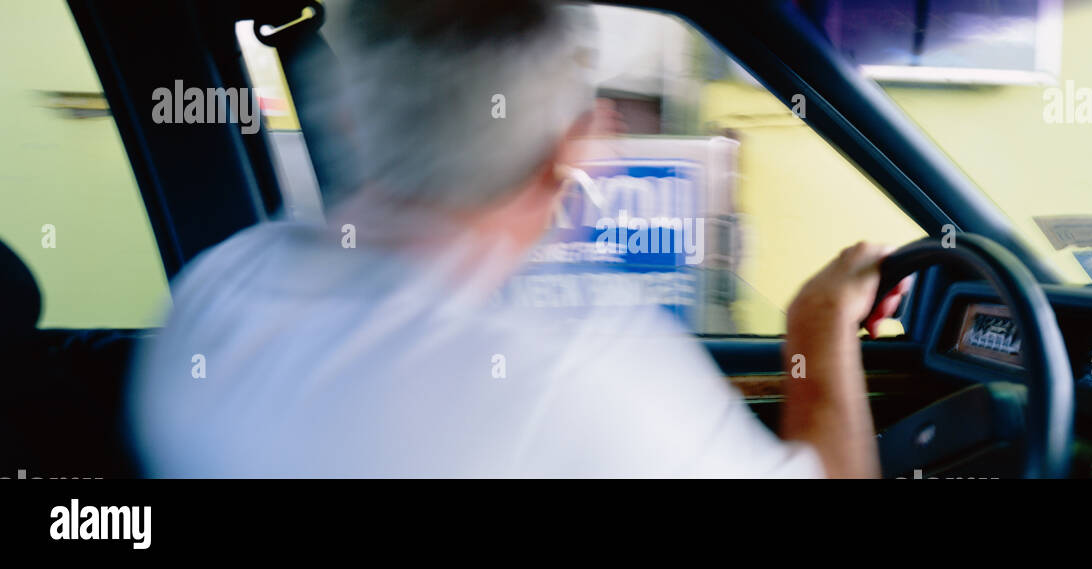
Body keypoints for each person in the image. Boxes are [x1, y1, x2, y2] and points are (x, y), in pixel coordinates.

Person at [128, 0, 906, 478]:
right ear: (573, 154)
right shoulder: (575, 369)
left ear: (347, 120)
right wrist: (818, 323)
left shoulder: (216, 291)